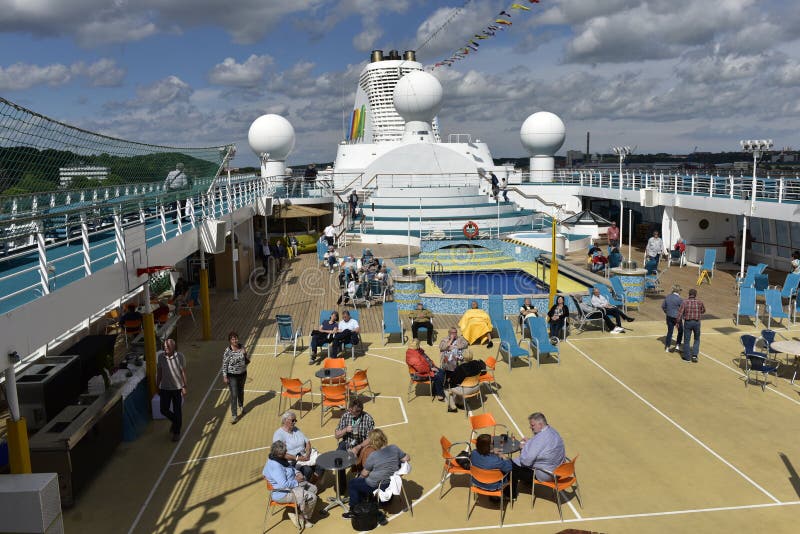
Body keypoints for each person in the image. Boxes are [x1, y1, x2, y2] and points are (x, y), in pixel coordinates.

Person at [342, 429, 409, 520]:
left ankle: (353, 509)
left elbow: (364, 474)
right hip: (392, 482)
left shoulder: (373, 456)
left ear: (373, 442)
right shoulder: (394, 448)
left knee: (353, 484)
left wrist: (359, 478)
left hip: (377, 484)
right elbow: (406, 459)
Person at [263, 440, 319, 529]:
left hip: (292, 484)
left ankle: (296, 510)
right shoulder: (275, 466)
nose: (286, 453)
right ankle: (302, 518)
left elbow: (290, 468)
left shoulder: (279, 458)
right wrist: (297, 481)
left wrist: (297, 473)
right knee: (312, 497)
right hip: (283, 493)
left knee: (314, 489)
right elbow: (284, 484)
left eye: (285, 451)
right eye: (284, 453)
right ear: (278, 454)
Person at [511, 412, 566, 500]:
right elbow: (543, 446)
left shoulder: (541, 438)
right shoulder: (552, 431)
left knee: (510, 466)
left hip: (546, 474)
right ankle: (527, 483)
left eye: (532, 425)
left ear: (540, 425)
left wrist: (523, 448)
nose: (530, 427)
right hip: (558, 470)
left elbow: (526, 461)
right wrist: (530, 442)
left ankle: (510, 495)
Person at [335, 399, 375, 491]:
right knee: (338, 459)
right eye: (354, 411)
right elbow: (337, 435)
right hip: (347, 443)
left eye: (359, 411)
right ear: (349, 409)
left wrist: (358, 447)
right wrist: (345, 430)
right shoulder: (345, 416)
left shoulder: (368, 418)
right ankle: (341, 488)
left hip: (362, 444)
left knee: (368, 458)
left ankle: (363, 485)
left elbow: (371, 438)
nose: (357, 413)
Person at [273, 411, 322, 484]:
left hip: (304, 456)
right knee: (307, 470)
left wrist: (307, 454)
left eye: (295, 420)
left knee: (322, 461)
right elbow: (281, 454)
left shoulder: (296, 429)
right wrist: (298, 458)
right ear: (285, 421)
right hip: (292, 462)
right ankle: (303, 488)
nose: (294, 422)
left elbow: (307, 442)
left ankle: (312, 484)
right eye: (293, 420)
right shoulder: (278, 435)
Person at [156, 339, 187, 442]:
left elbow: (182, 372)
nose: (166, 348)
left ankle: (176, 432)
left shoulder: (180, 357)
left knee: (177, 410)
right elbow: (159, 372)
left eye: (168, 346)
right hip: (165, 388)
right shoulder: (161, 357)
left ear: (174, 347)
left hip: (177, 388)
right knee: (163, 409)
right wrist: (157, 385)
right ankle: (175, 422)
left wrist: (184, 386)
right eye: (165, 346)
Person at [221, 331, 249, 424]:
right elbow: (224, 364)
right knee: (234, 395)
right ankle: (234, 415)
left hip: (242, 374)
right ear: (230, 341)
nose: (235, 340)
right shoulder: (227, 351)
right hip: (232, 376)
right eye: (233, 339)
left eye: (236, 338)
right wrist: (225, 376)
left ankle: (241, 405)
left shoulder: (242, 347)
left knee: (241, 391)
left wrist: (245, 354)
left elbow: (247, 361)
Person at [676, 288, 705, 363]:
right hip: (697, 322)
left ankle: (687, 357)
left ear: (689, 294)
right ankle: (695, 355)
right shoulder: (700, 302)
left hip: (688, 323)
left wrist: (677, 322)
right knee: (697, 339)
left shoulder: (684, 302)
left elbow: (680, 313)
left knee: (686, 340)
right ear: (695, 295)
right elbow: (703, 311)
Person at [662, 285, 684, 353]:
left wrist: (667, 312)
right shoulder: (679, 299)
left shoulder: (668, 297)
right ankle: (677, 345)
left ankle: (667, 347)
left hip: (669, 317)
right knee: (680, 331)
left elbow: (663, 306)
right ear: (678, 291)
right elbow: (682, 308)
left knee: (670, 332)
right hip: (677, 318)